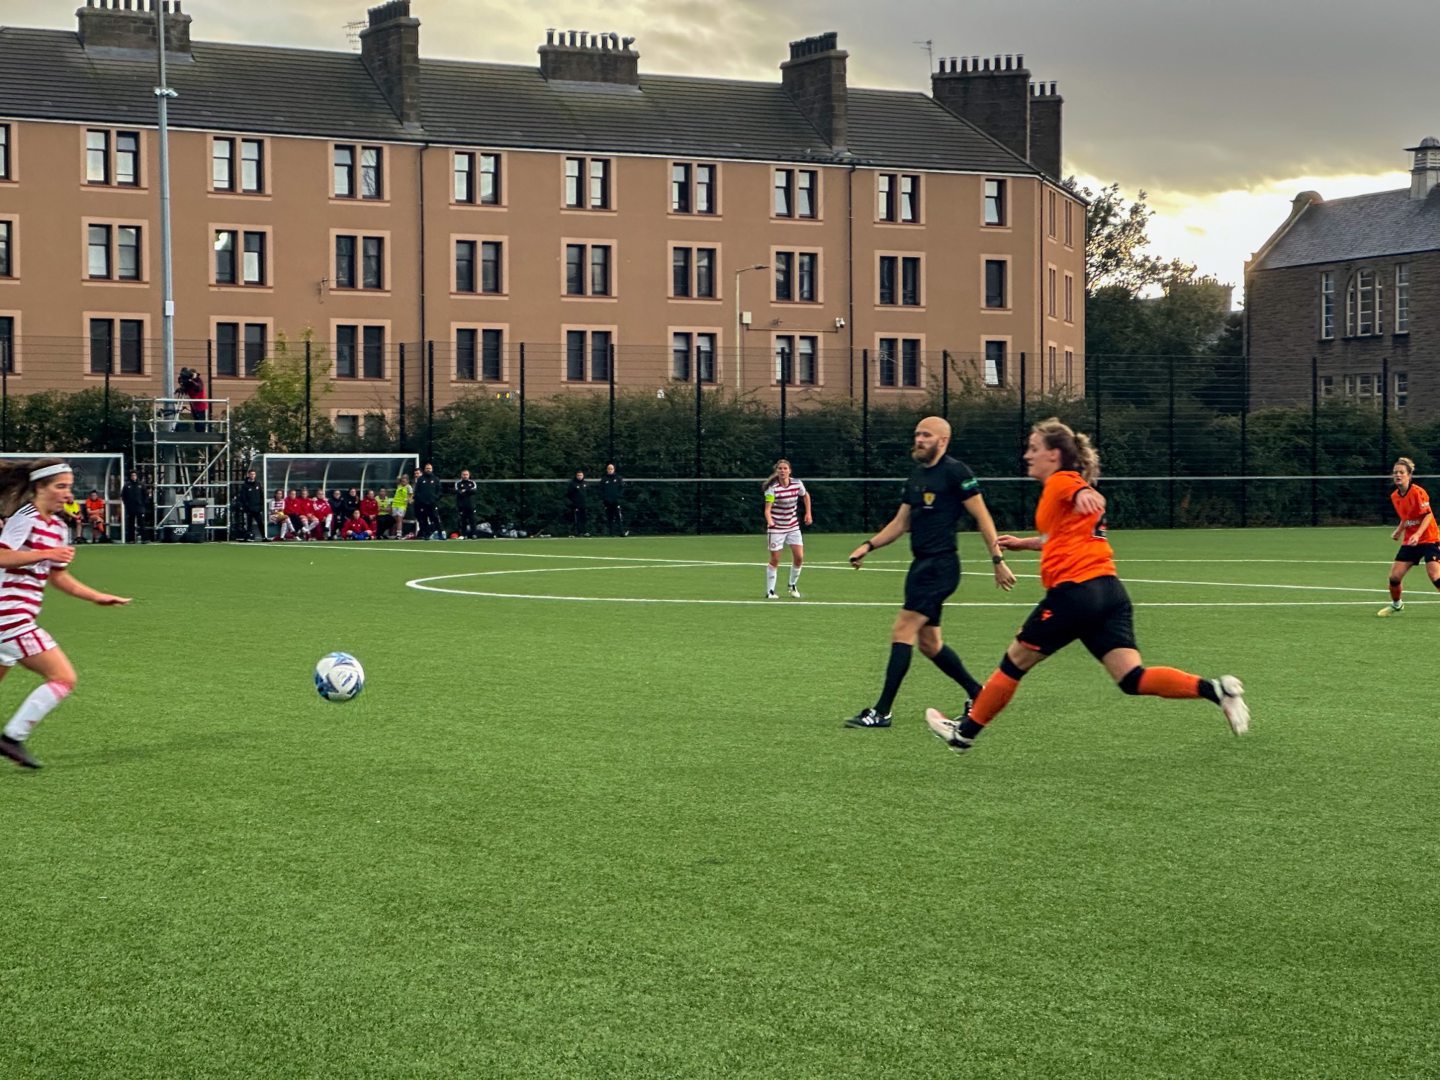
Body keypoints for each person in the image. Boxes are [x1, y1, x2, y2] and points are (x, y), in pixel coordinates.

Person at [925, 417, 1250, 754]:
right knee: (1132, 678)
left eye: (1034, 448)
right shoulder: (1067, 486)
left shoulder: (1062, 480)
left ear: (1054, 454)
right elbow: (1063, 534)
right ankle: (1216, 691)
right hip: (1109, 593)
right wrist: (1025, 543)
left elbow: (1078, 491)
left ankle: (964, 734)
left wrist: (1082, 493)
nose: (1027, 455)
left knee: (1014, 663)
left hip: (1075, 594)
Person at [844, 416, 1016, 729]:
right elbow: (900, 523)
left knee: (902, 629)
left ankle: (881, 712)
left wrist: (997, 559)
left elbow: (983, 517)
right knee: (930, 644)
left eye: (926, 435)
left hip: (941, 567)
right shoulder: (916, 476)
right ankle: (979, 694)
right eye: (917, 434)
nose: (919, 440)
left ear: (943, 440)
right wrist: (868, 546)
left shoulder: (956, 472)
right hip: (920, 567)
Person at [0, 458, 131, 770]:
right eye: (60, 486)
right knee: (63, 677)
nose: (68, 494)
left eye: (69, 487)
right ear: (40, 488)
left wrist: (96, 597)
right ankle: (12, 738)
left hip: (17, 616)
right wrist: (46, 553)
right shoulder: (25, 518)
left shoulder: (58, 527)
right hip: (10, 616)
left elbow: (58, 576)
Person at [1378, 456, 1440, 616]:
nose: (1398, 475)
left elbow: (1428, 515)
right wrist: (1399, 531)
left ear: (1409, 475)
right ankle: (1397, 604)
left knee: (1435, 576)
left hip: (1430, 538)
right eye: (1395, 472)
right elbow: (1406, 517)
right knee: (1394, 577)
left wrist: (1418, 534)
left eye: (1401, 472)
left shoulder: (1418, 492)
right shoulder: (1395, 496)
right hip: (1411, 541)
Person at [762, 459, 811, 598]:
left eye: (785, 468)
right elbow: (767, 510)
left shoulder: (797, 483)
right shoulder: (772, 488)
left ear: (790, 471)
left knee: (799, 557)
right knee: (775, 559)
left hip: (793, 526)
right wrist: (770, 522)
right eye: (780, 469)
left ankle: (792, 585)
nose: (782, 471)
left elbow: (805, 495)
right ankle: (770, 591)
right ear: (776, 471)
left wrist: (808, 513)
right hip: (776, 528)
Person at [414, 464, 443, 539]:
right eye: (427, 468)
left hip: (433, 503)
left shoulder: (435, 479)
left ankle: (440, 534)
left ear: (432, 469)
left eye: (429, 468)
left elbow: (439, 490)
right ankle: (426, 535)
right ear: (424, 469)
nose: (428, 470)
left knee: (436, 519)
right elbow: (417, 491)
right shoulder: (421, 479)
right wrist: (421, 500)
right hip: (423, 504)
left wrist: (435, 498)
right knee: (424, 520)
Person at [238, 469, 264, 541]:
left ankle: (263, 537)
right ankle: (247, 537)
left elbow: (261, 495)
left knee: (260, 523)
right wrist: (246, 506)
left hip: (257, 508)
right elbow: (243, 497)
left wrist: (261, 506)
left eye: (254, 474)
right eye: (251, 474)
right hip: (249, 508)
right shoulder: (245, 485)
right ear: (248, 475)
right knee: (249, 523)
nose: (252, 475)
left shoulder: (258, 484)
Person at [601, 463, 626, 536]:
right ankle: (611, 533)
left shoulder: (618, 478)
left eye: (611, 469)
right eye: (609, 469)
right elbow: (600, 490)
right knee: (610, 517)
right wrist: (604, 498)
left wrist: (618, 496)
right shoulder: (604, 479)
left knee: (618, 517)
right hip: (607, 502)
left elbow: (622, 488)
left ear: (614, 469)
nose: (610, 470)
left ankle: (621, 532)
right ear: (607, 470)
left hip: (616, 501)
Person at [121, 470, 145, 544]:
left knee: (141, 523)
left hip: (139, 507)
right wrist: (126, 504)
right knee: (131, 524)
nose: (133, 477)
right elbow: (123, 496)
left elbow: (145, 495)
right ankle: (131, 539)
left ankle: (144, 539)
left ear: (136, 476)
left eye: (134, 475)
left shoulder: (141, 485)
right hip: (130, 507)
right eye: (132, 475)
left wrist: (142, 504)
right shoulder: (127, 485)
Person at [454, 469, 478, 538]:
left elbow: (474, 491)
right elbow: (458, 492)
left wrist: (465, 490)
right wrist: (468, 491)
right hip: (461, 506)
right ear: (461, 475)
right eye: (464, 474)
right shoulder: (458, 483)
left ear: (469, 475)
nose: (465, 476)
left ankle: (474, 534)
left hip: (471, 505)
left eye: (466, 474)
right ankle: (463, 535)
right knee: (462, 521)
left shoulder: (472, 483)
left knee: (472, 520)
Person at [566, 469, 589, 536]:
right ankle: (578, 532)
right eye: (578, 475)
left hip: (584, 505)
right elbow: (569, 494)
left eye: (581, 475)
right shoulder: (573, 484)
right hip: (576, 505)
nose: (579, 476)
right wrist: (573, 502)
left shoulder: (585, 483)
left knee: (584, 519)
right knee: (577, 519)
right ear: (576, 476)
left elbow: (588, 493)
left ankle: (584, 531)